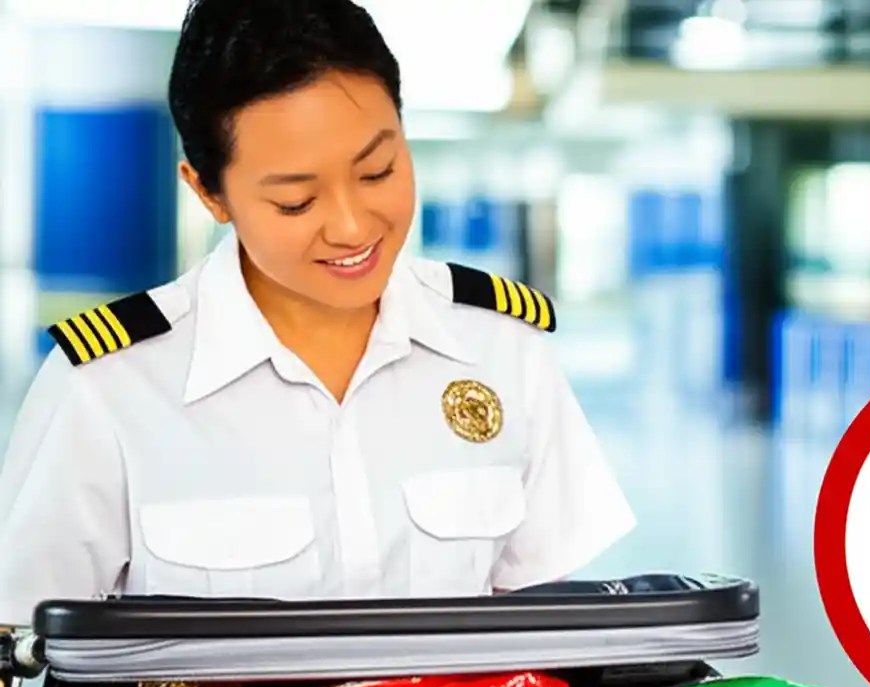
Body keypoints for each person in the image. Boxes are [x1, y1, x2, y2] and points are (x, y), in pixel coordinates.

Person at [0, 0, 635, 629]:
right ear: (209, 193)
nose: (352, 227)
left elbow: (545, 626)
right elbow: (22, 640)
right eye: (297, 202)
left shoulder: (502, 349)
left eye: (378, 172)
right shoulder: (109, 389)